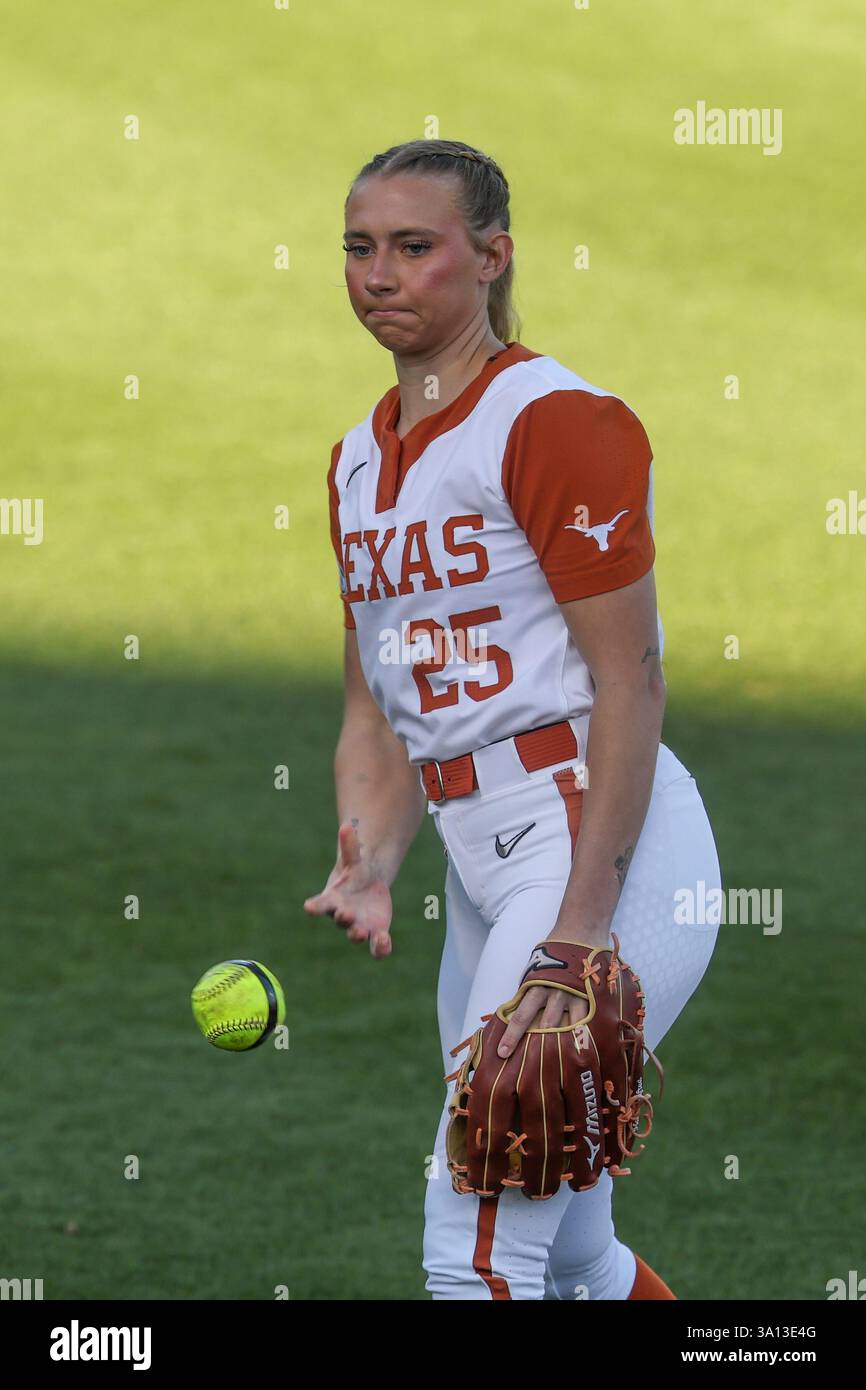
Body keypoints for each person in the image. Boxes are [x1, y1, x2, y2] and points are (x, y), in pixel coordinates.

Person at [304, 137, 722, 1300]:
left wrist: (577, 935)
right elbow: (377, 701)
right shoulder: (352, 465)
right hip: (481, 866)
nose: (379, 274)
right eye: (359, 248)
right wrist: (371, 853)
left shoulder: (554, 421)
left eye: (413, 247)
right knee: (569, 1242)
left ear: (489, 257)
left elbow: (629, 681)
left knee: (474, 1227)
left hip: (596, 839)